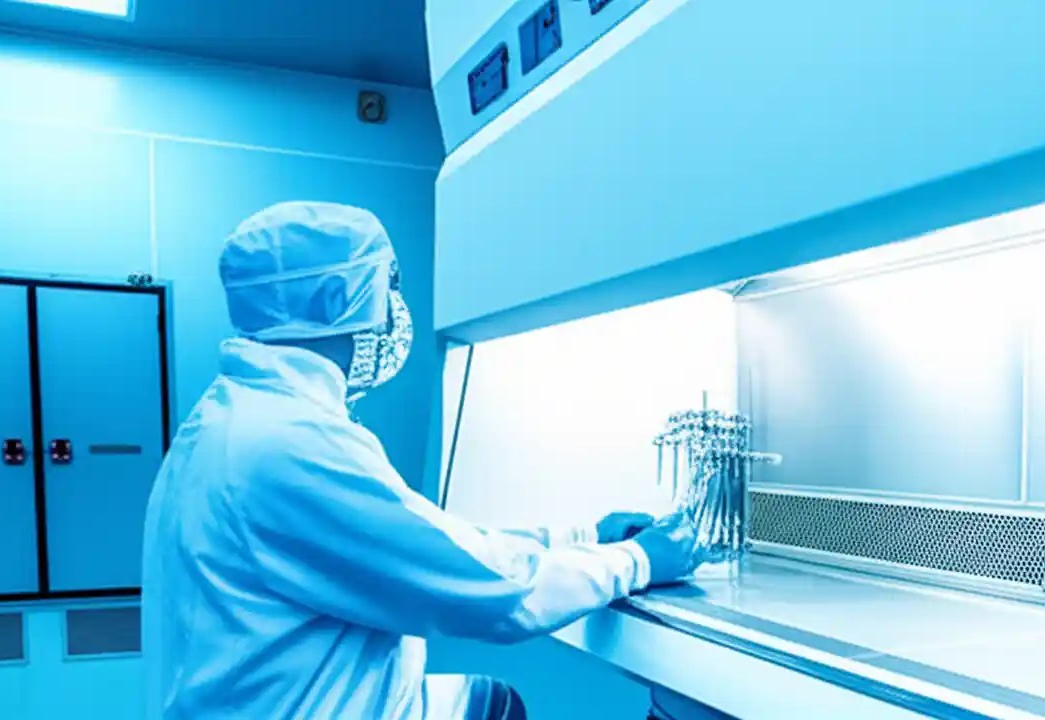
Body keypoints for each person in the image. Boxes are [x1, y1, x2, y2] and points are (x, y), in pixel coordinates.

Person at [141, 201, 704, 719]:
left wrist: (581, 535)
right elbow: (495, 598)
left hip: (270, 697)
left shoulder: (237, 419)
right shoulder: (288, 442)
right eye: (387, 288)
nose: (393, 313)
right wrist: (640, 560)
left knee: (491, 703)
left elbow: (429, 542)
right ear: (340, 299)